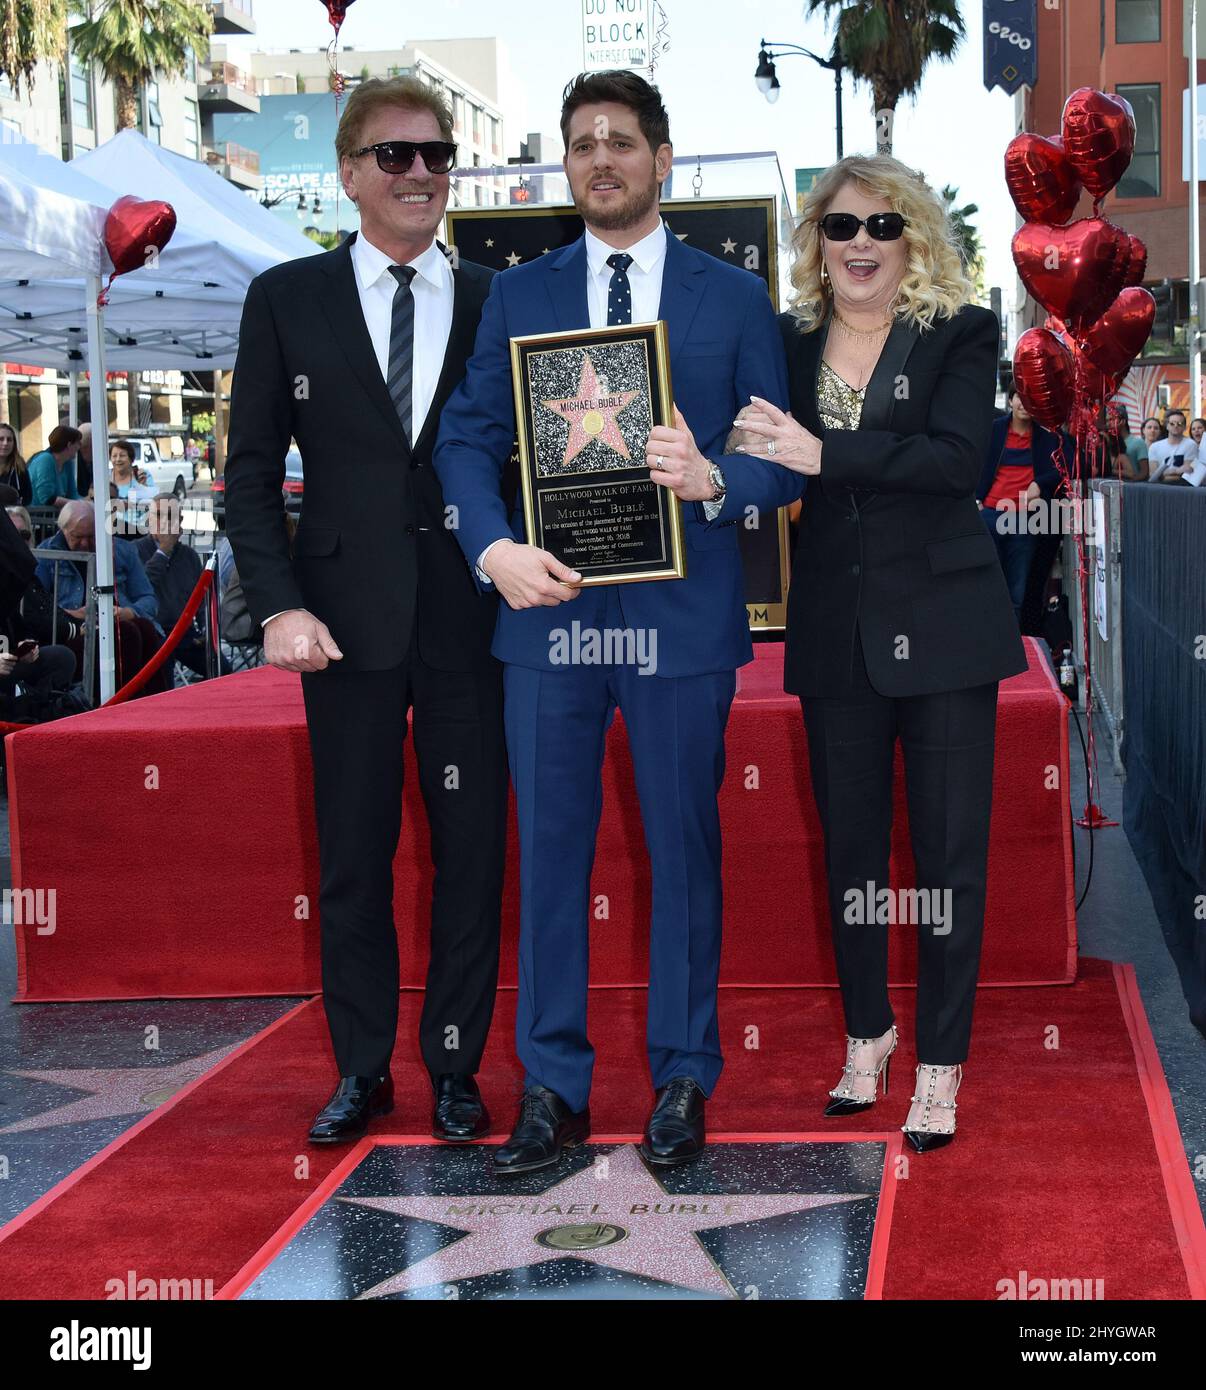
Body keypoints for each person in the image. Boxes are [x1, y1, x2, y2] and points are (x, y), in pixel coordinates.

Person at [434, 69, 801, 1176]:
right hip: (545, 617)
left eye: (622, 141)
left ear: (662, 159)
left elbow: (777, 466)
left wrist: (712, 479)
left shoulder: (731, 300)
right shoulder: (519, 293)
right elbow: (463, 440)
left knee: (683, 849)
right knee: (547, 850)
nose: (602, 158)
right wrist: (492, 549)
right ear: (567, 162)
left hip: (682, 622)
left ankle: (684, 1073)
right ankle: (552, 1085)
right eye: (583, 141)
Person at [224, 76, 509, 1147]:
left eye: (436, 154)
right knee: (353, 856)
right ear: (349, 174)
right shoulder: (286, 299)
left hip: (474, 624)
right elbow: (248, 477)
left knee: (471, 853)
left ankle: (453, 1068)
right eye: (396, 156)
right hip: (336, 628)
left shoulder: (496, 299)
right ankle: (360, 1069)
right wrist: (279, 609)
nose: (421, 172)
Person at [737, 154, 1026, 1152]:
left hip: (947, 629)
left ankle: (941, 1066)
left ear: (916, 239)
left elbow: (958, 464)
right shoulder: (784, 339)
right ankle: (870, 1033)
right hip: (831, 633)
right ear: (817, 239)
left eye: (884, 225)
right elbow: (752, 455)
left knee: (947, 859)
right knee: (852, 851)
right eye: (843, 224)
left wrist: (824, 455)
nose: (862, 243)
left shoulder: (960, 329)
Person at [34, 499, 169, 695]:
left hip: (120, 622)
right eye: (78, 536)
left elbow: (148, 598)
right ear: (63, 530)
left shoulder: (123, 550)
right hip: (73, 632)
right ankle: (123, 703)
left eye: (92, 536)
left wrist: (130, 611)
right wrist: (72, 615)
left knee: (144, 628)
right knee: (128, 632)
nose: (85, 543)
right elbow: (37, 606)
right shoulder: (46, 554)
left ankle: (152, 703)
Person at [976, 386, 1064, 620]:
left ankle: (1013, 643)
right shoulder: (993, 430)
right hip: (990, 514)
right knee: (987, 579)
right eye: (1019, 397)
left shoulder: (1047, 439)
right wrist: (975, 499)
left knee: (1018, 586)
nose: (1023, 404)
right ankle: (987, 637)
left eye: (1030, 399)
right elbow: (970, 462)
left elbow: (1064, 466)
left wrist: (1040, 483)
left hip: (1024, 519)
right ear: (1011, 400)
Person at [134, 494, 225, 679]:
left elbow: (201, 598)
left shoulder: (189, 556)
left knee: (223, 670)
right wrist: (163, 551)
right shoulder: (135, 550)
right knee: (162, 675)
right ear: (149, 520)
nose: (164, 522)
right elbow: (143, 585)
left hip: (184, 632)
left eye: (170, 516)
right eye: (158, 515)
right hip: (152, 632)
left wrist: (206, 629)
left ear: (180, 521)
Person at [27, 426, 82, 508]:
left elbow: (73, 494)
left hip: (56, 515)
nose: (80, 446)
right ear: (69, 445)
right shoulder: (45, 459)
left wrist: (87, 504)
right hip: (37, 516)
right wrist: (79, 504)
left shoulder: (68, 463)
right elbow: (47, 498)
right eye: (78, 443)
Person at [1147, 409, 1197, 483]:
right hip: (1158, 489)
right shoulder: (1154, 447)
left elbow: (1187, 474)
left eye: (1180, 423)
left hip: (1182, 488)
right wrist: (1177, 471)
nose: (1176, 426)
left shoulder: (1191, 444)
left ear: (1184, 427)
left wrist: (1162, 474)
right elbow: (1153, 475)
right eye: (1172, 423)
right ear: (1167, 426)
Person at [0, 423, 32, 506]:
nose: (5, 443)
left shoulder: (19, 466)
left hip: (12, 515)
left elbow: (27, 496)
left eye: (9, 439)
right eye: (1, 439)